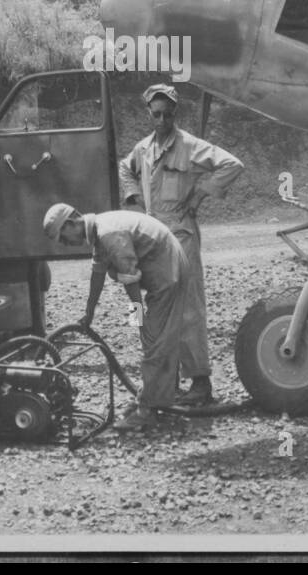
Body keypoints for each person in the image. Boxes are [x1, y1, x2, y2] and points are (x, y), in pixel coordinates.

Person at [118, 84, 243, 407]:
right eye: (156, 114)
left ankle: (200, 383)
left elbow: (232, 165)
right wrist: (135, 197)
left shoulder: (190, 146)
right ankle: (167, 383)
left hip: (181, 236)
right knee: (160, 311)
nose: (162, 120)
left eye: (168, 114)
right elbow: (124, 168)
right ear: (149, 113)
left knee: (188, 310)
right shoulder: (144, 149)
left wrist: (201, 192)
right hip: (153, 239)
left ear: (176, 113)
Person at [42, 203, 189, 432]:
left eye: (62, 237)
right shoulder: (99, 232)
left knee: (154, 341)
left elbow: (129, 278)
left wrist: (137, 321)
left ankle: (147, 411)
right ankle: (160, 394)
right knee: (155, 336)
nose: (64, 244)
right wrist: (88, 313)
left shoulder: (108, 233)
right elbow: (98, 274)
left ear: (71, 223)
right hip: (161, 268)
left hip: (167, 272)